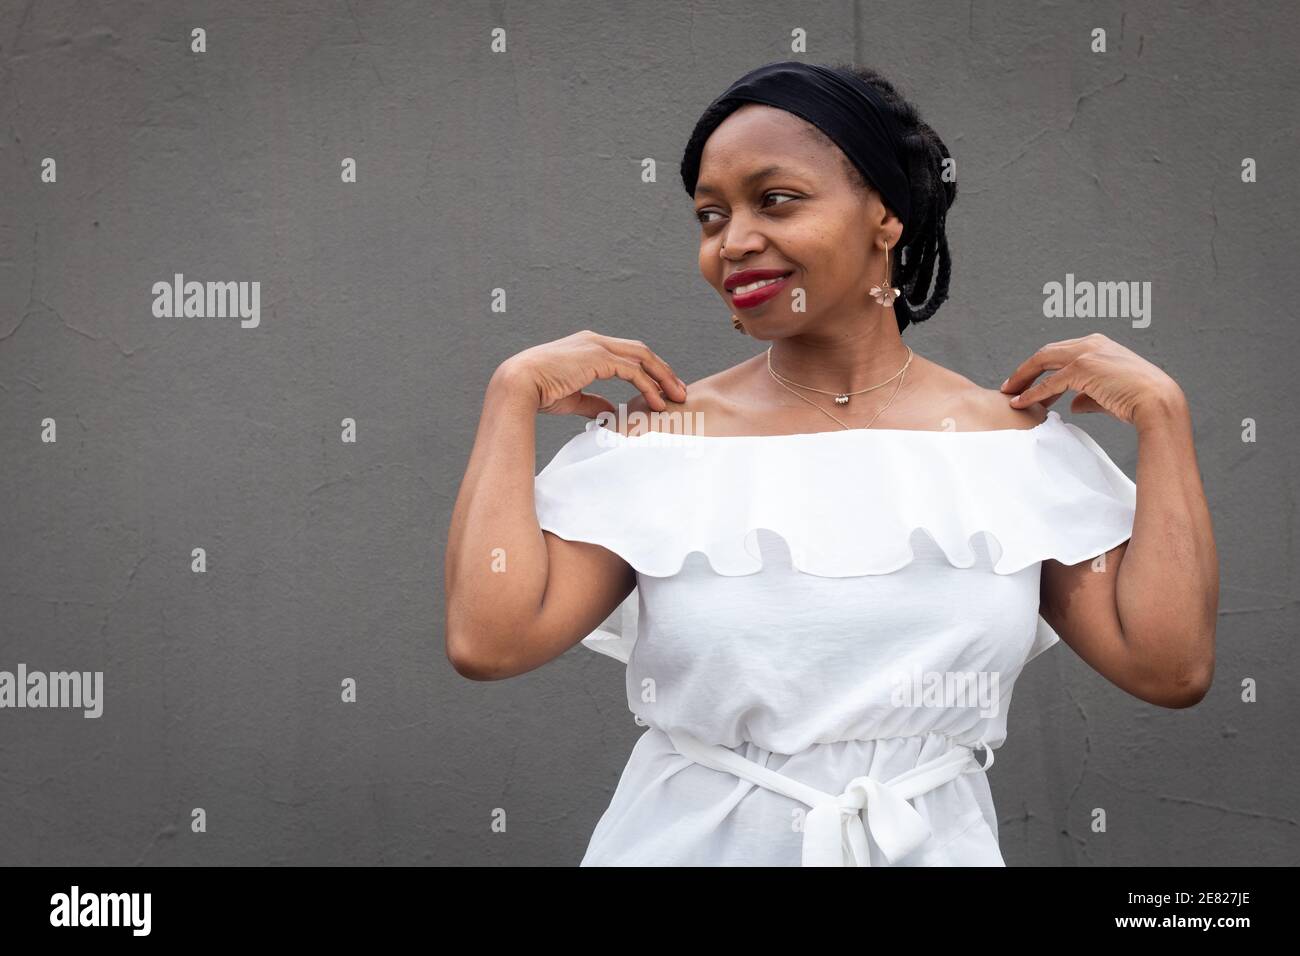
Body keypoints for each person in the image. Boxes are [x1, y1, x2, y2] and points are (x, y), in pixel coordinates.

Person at [444, 61, 1218, 866]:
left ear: (886, 214)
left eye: (775, 200)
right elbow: (489, 642)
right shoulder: (660, 443)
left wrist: (1164, 420)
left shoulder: (1013, 449)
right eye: (711, 216)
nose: (733, 242)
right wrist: (510, 400)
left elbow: (1170, 668)